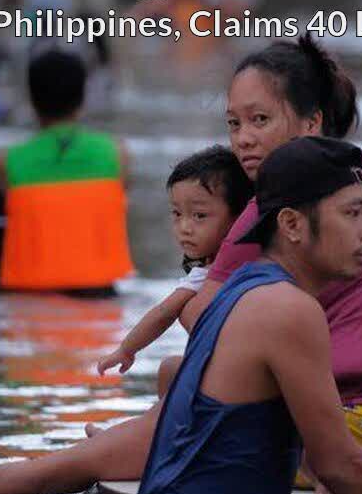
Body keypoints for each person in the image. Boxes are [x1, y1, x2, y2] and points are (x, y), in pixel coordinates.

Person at [0, 36, 362, 494]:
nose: (243, 141)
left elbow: (214, 335)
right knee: (178, 385)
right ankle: (102, 452)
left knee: (189, 397)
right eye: (234, 124)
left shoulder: (279, 205)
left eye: (261, 121)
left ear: (311, 124)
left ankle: (31, 481)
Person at [0, 49, 134, 296]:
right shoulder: (116, 155)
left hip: (28, 299)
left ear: (31, 99)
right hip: (101, 298)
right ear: (82, 97)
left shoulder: (8, 162)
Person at [95, 147, 252, 396]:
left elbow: (163, 313)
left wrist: (126, 350)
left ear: (239, 217)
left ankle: (160, 431)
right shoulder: (240, 262)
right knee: (170, 368)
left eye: (199, 216)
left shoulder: (210, 273)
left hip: (236, 382)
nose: (184, 227)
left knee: (170, 368)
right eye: (177, 214)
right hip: (237, 376)